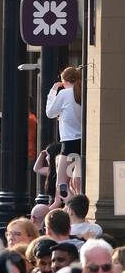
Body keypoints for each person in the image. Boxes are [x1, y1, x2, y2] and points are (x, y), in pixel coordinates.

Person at [45, 66, 83, 198]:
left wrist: (53, 90)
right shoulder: (83, 92)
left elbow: (50, 113)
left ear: (64, 80)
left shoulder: (64, 94)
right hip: (82, 143)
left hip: (69, 144)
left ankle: (75, 210)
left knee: (61, 185)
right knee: (77, 184)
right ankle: (75, 210)